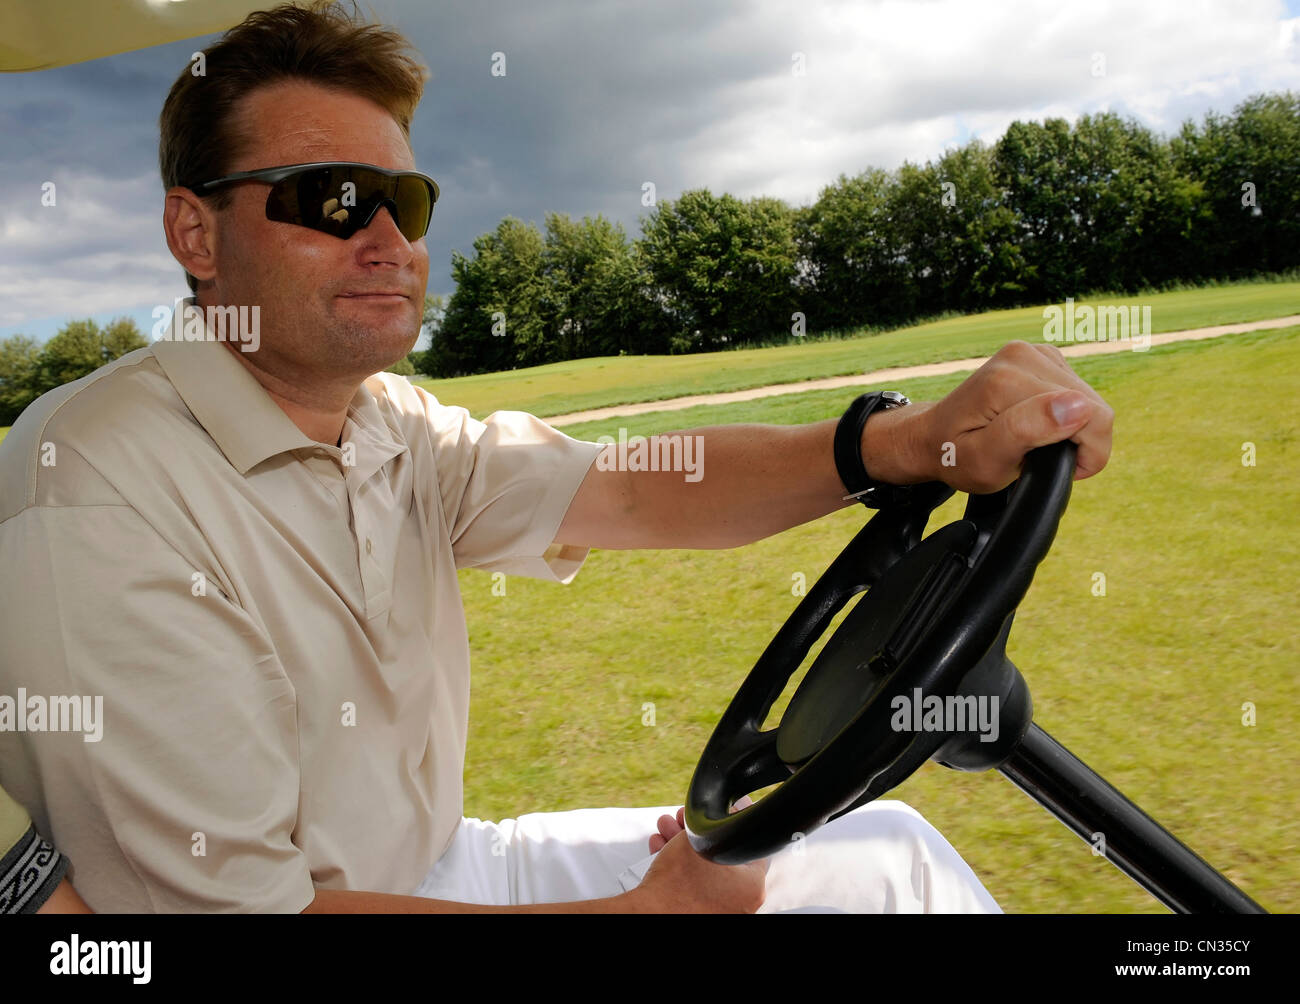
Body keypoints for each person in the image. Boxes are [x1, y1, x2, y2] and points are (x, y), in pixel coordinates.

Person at [0, 1, 1112, 913]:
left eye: (405, 199)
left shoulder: (384, 419)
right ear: (195, 234)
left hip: (430, 866)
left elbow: (626, 487)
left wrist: (896, 443)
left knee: (887, 858)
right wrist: (643, 915)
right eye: (333, 201)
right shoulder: (96, 495)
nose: (388, 239)